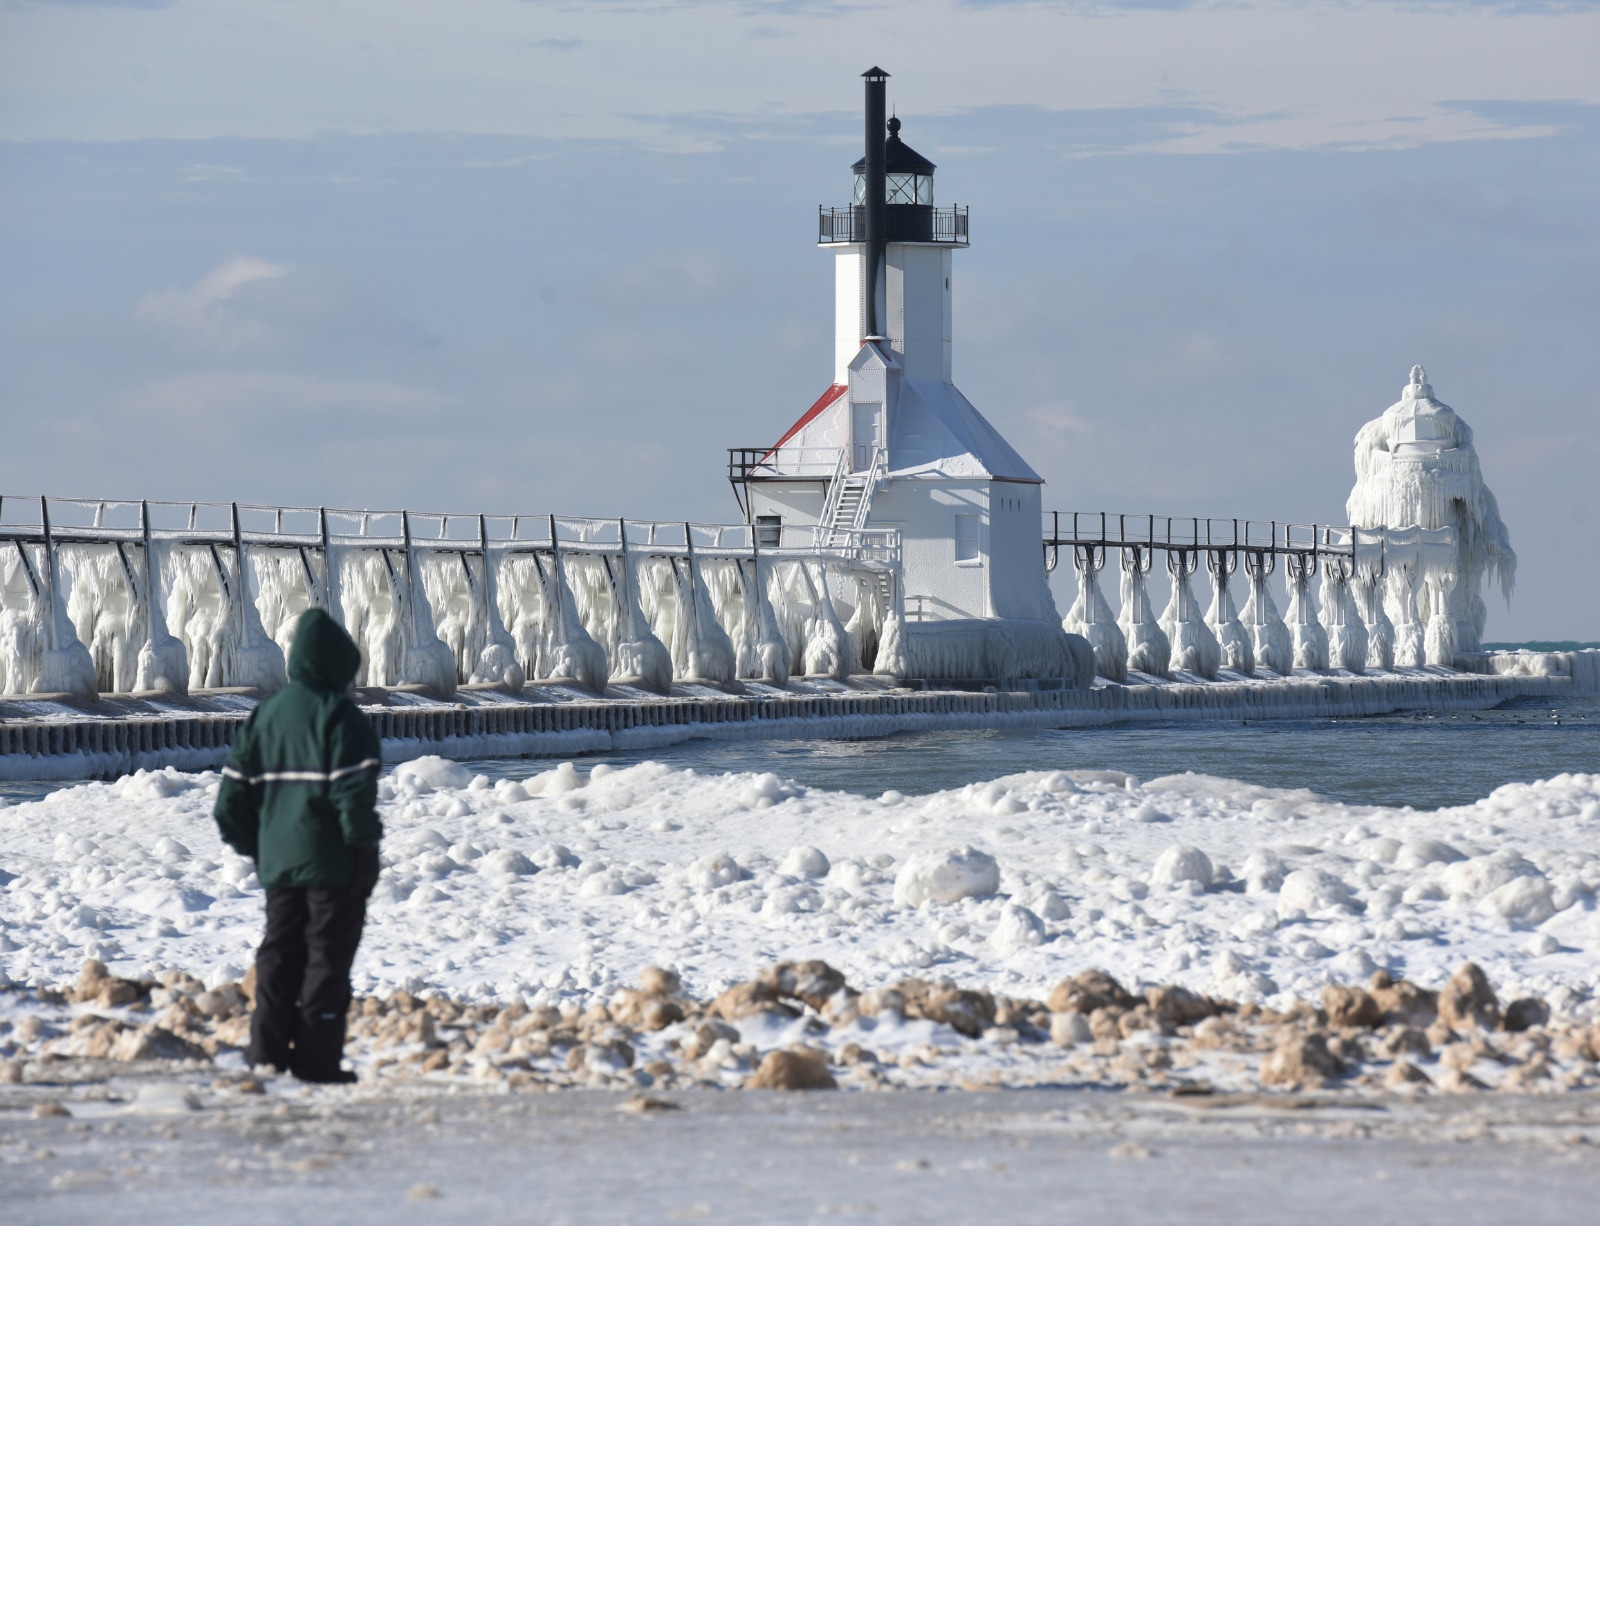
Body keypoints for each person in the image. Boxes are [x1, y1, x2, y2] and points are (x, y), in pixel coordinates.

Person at [214, 607, 382, 1084]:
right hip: (334, 866)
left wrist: (262, 848)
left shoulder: (265, 715)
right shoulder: (340, 716)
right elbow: (355, 799)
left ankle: (265, 1054)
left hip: (280, 866)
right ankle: (316, 1061)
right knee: (326, 958)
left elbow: (230, 803)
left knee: (278, 954)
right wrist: (363, 853)